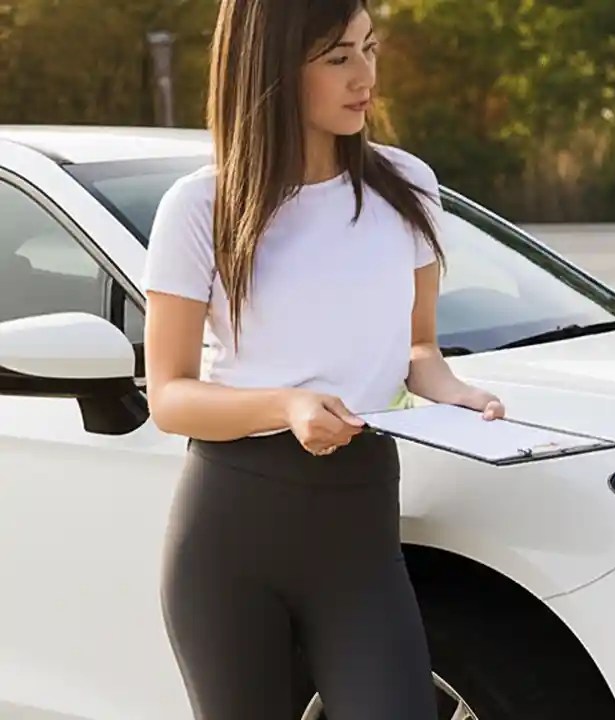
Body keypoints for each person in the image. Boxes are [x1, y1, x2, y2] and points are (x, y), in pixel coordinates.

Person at [141, 0, 505, 718]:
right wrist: (287, 405)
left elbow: (417, 347)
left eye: (370, 49)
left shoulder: (408, 187)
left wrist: (454, 391)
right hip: (230, 531)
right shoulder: (200, 207)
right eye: (338, 57)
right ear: (271, 68)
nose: (365, 75)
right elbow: (170, 395)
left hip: (360, 534)